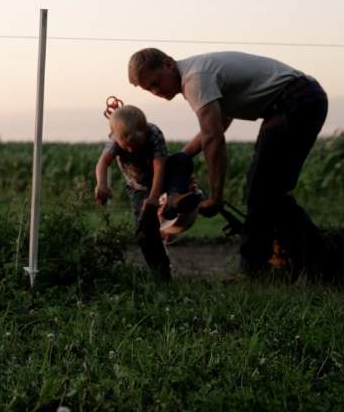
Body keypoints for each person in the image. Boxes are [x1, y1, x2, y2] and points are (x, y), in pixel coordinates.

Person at [127, 49, 328, 278]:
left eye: (156, 83)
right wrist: (183, 156)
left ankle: (260, 269)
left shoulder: (195, 80)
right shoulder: (197, 73)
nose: (156, 92)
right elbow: (220, 121)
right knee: (268, 191)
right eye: (149, 89)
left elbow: (214, 137)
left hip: (296, 101)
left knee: (263, 189)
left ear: (169, 64)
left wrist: (215, 196)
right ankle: (301, 263)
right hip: (297, 99)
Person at [93, 98, 201, 280]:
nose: (131, 150)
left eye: (136, 146)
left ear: (145, 133)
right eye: (126, 147)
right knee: (145, 229)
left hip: (162, 178)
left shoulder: (154, 133)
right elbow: (103, 162)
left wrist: (154, 197)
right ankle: (161, 274)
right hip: (138, 187)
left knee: (182, 159)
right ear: (115, 137)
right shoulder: (114, 139)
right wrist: (102, 184)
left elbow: (160, 166)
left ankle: (174, 199)